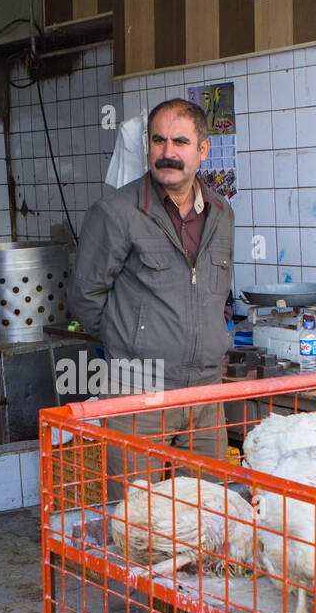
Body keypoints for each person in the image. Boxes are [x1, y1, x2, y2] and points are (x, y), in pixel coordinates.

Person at [70, 98, 236, 498]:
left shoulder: (220, 212)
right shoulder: (117, 212)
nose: (168, 153)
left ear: (203, 149)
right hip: (137, 389)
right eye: (158, 140)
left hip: (205, 391)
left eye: (180, 141)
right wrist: (132, 345)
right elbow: (84, 297)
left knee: (207, 516)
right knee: (138, 521)